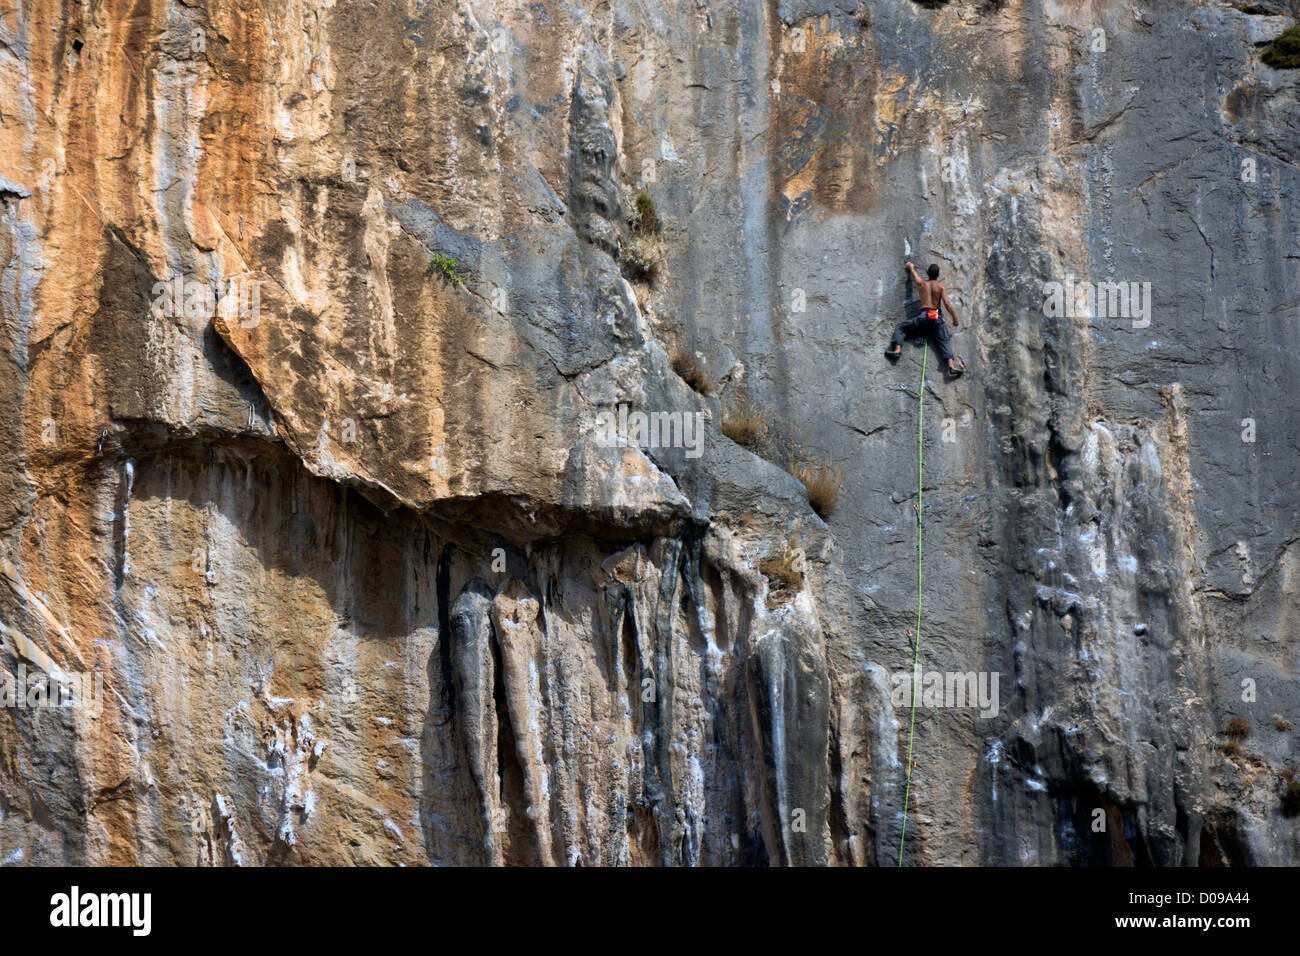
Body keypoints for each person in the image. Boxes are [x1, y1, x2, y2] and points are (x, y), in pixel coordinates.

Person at [886, 262, 965, 376]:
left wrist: (911, 267)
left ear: (927, 273)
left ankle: (897, 350)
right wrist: (955, 318)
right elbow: (947, 304)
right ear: (938, 275)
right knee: (944, 340)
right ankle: (951, 366)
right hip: (936, 319)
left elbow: (914, 275)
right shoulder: (941, 286)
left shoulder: (922, 284)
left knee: (901, 328)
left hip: (923, 318)